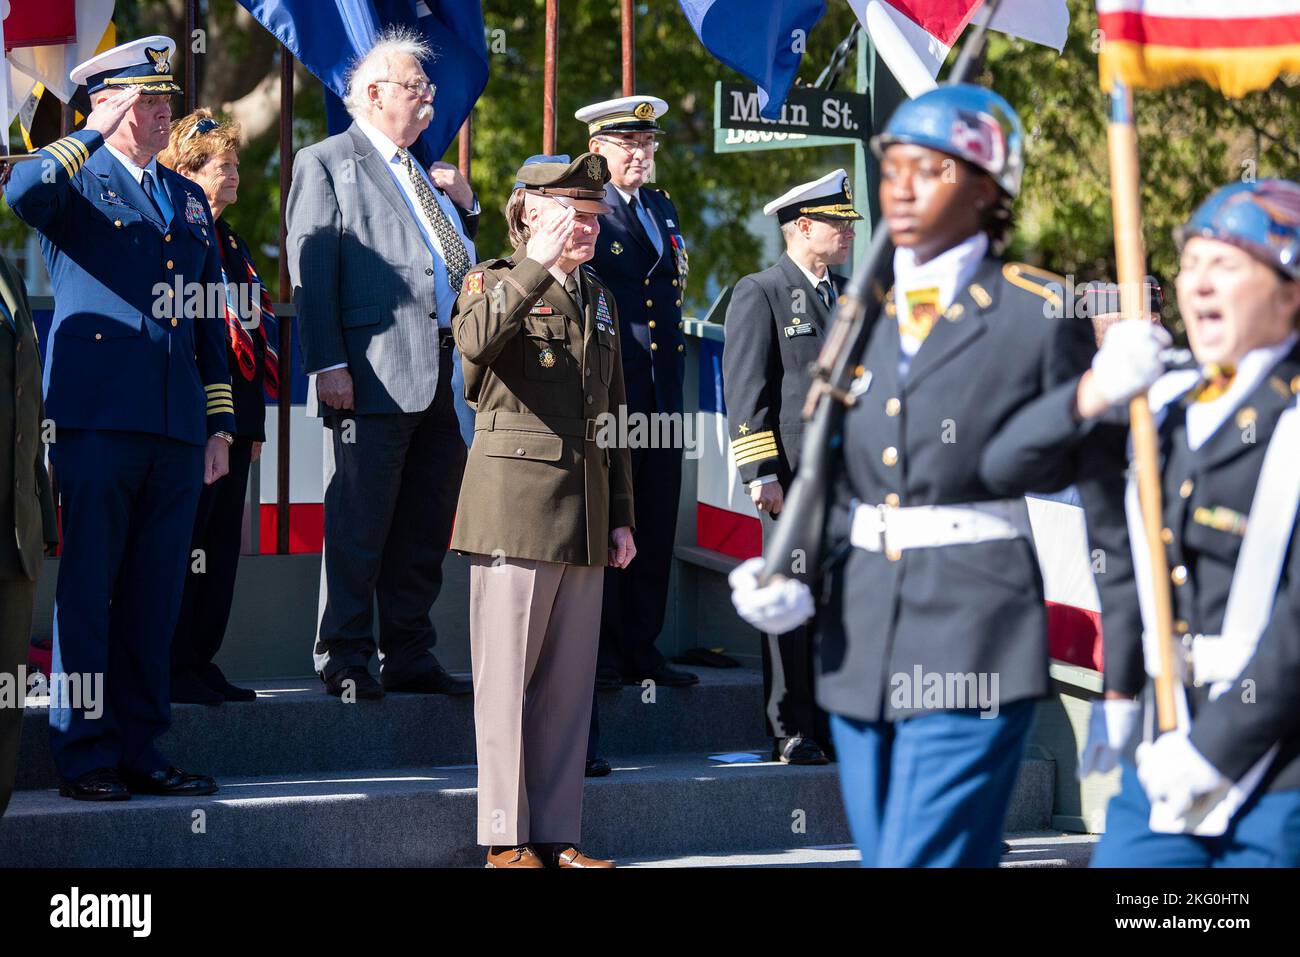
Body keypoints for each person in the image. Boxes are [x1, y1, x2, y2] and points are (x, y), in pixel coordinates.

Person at [729, 84, 1097, 866]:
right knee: (889, 851)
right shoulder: (865, 315)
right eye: (891, 167)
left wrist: (1129, 674)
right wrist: (793, 564)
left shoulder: (1038, 311)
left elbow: (1097, 488)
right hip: (862, 638)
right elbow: (843, 465)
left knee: (921, 858)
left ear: (986, 188)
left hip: (974, 627)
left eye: (926, 170)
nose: (897, 186)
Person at [982, 179, 1300, 867]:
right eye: (1191, 264)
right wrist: (1091, 389)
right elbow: (1005, 462)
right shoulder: (1162, 400)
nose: (1200, 284)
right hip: (1164, 756)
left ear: (1289, 291)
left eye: (1228, 265)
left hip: (1278, 772)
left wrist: (1216, 750)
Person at [4, 36, 233, 800]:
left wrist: (219, 421)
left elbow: (207, 317)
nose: (164, 109)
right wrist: (93, 129)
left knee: (154, 593)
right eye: (147, 98)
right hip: (99, 420)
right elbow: (23, 193)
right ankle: (85, 752)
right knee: (92, 590)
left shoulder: (188, 197)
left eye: (166, 97)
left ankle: (143, 746)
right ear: (106, 101)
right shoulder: (76, 178)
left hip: (174, 426)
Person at [452, 152, 635, 869]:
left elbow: (613, 414)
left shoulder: (599, 298)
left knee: (567, 686)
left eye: (593, 217)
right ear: (527, 210)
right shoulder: (493, 279)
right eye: (572, 215)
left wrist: (621, 512)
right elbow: (472, 346)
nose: (587, 229)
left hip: (584, 511)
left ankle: (558, 833)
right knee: (505, 680)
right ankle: (504, 835)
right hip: (515, 506)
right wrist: (536, 263)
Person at [287, 27, 477, 700]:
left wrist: (467, 209)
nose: (429, 99)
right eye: (416, 88)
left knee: (424, 523)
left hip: (445, 379)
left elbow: (455, 266)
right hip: (369, 375)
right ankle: (343, 654)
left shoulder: (423, 170)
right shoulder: (327, 160)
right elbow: (312, 271)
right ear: (373, 93)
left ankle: (410, 650)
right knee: (359, 522)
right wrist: (327, 363)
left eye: (428, 88)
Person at [723, 169, 860, 766]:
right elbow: (747, 390)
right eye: (837, 223)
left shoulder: (851, 295)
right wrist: (761, 474)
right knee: (791, 604)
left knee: (841, 605)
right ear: (803, 227)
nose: (846, 233)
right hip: (794, 481)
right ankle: (790, 727)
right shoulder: (762, 290)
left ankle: (833, 722)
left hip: (851, 482)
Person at [160, 108, 279, 705]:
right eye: (223, 166)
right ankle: (172, 662)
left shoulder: (228, 240)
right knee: (190, 542)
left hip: (234, 421)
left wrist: (249, 424)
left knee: (222, 546)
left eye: (234, 164)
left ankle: (200, 658)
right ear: (187, 170)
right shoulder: (183, 234)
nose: (235, 175)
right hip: (197, 419)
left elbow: (248, 337)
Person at [578, 96, 697, 690]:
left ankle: (641, 646)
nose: (642, 154)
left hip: (663, 391)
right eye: (629, 145)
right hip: (615, 390)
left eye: (648, 144)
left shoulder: (661, 206)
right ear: (598, 148)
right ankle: (599, 652)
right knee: (610, 517)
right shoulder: (591, 209)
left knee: (654, 514)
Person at [0, 237, 58, 817]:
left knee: (6, 712)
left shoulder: (7, 275)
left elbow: (28, 409)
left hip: (12, 535)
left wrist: (39, 504)